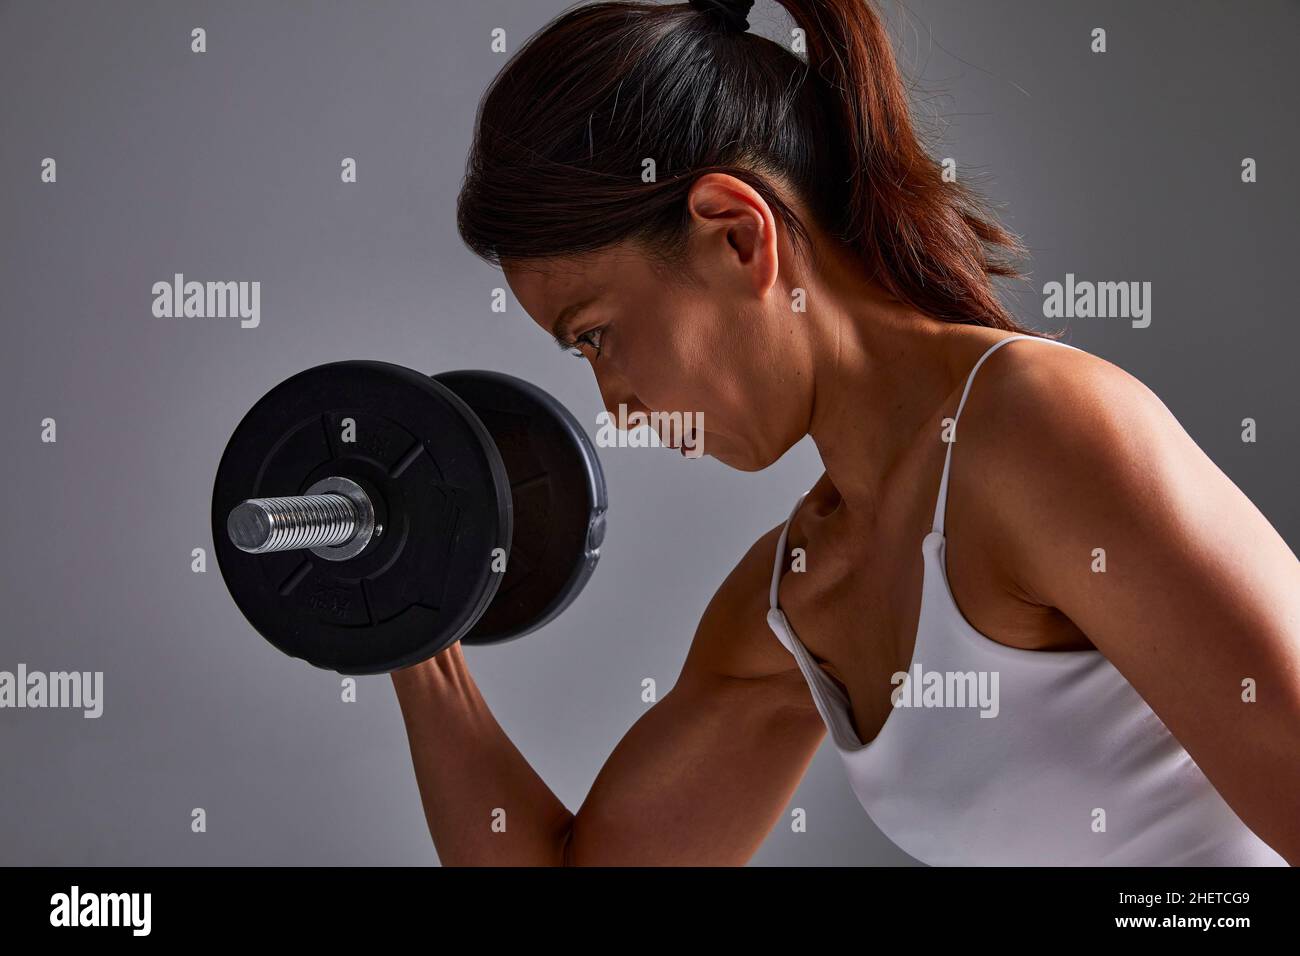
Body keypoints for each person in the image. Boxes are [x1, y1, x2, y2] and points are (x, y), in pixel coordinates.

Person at [392, 0, 1299, 865]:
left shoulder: (1036, 429)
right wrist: (408, 604)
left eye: (595, 335)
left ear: (738, 236)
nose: (614, 402)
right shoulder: (797, 598)